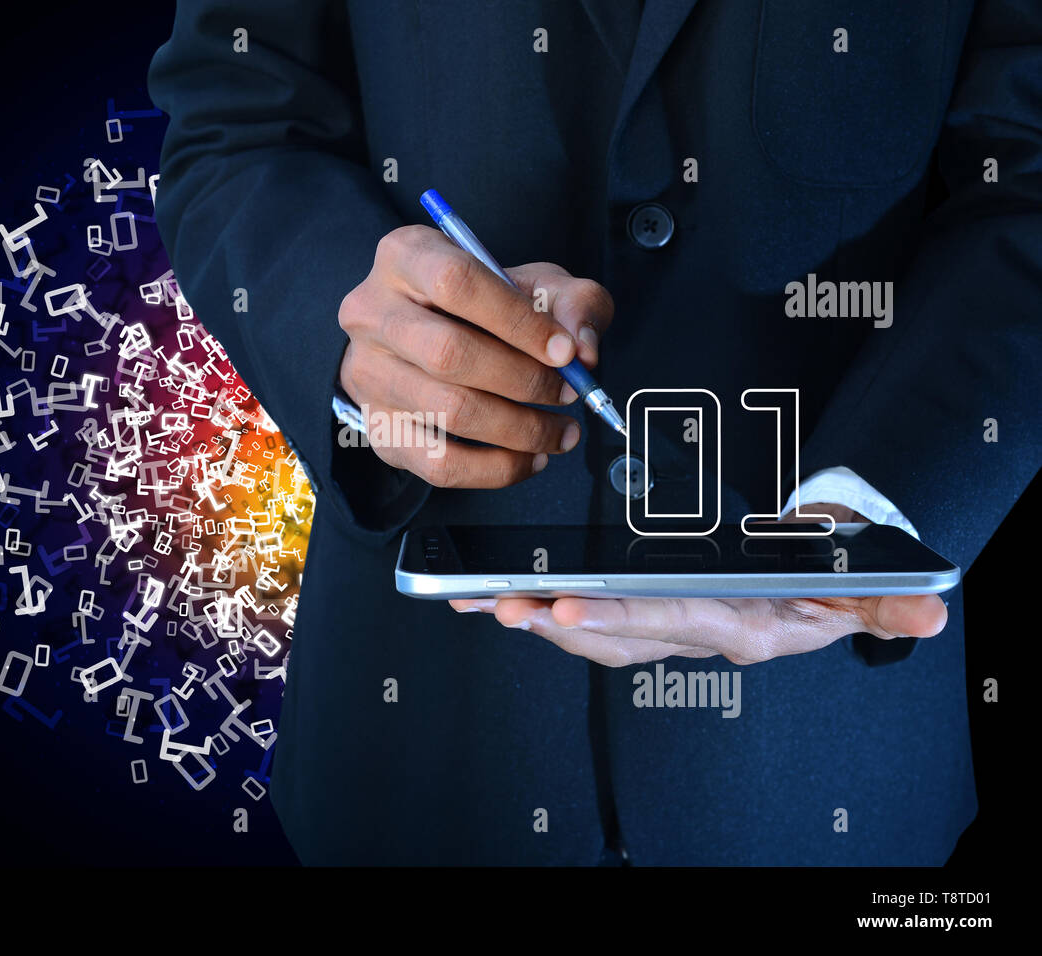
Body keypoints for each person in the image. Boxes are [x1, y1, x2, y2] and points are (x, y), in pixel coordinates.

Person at [148, 0, 1041, 864]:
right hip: (422, 755)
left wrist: (867, 510)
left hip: (828, 769)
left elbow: (1027, 179)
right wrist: (354, 329)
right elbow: (237, 119)